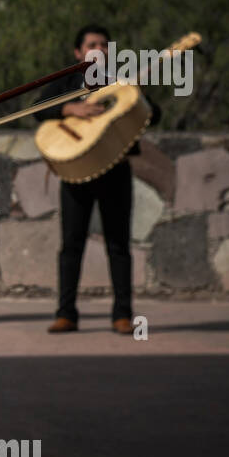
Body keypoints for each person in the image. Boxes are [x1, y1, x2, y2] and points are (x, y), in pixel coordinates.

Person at [34, 24, 154, 335]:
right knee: (71, 244)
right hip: (76, 171)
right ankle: (66, 314)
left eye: (104, 45)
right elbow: (36, 109)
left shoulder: (122, 82)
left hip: (114, 169)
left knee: (118, 244)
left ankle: (122, 314)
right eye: (91, 45)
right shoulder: (67, 81)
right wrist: (68, 107)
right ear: (78, 53)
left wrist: (132, 101)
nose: (98, 50)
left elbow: (155, 113)